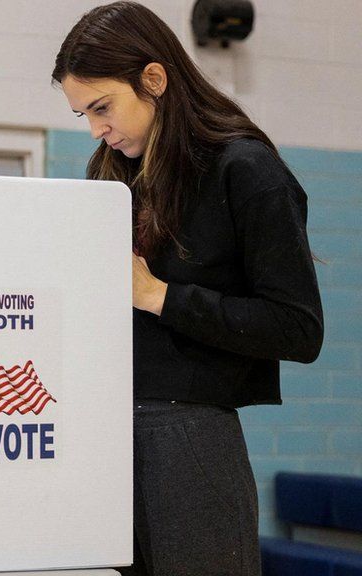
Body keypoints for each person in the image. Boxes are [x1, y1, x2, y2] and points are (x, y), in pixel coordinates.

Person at [52, 3, 323, 575]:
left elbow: (299, 329)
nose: (97, 128)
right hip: (106, 431)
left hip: (192, 437)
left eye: (102, 107)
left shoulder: (246, 170)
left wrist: (158, 296)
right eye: (83, 115)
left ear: (153, 79)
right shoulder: (111, 174)